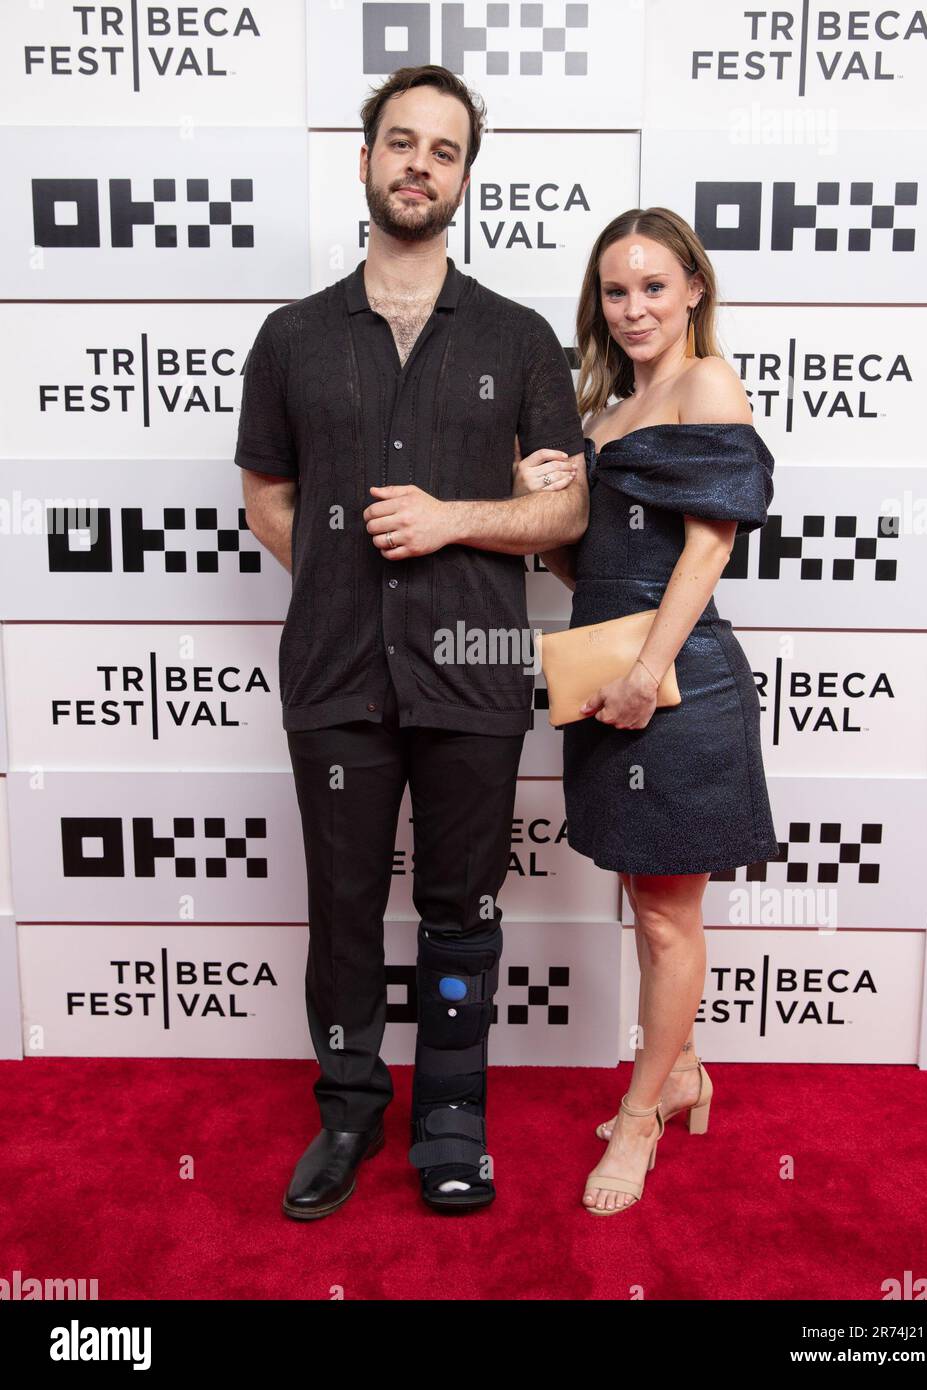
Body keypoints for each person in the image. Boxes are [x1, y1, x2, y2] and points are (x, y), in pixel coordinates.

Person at [234, 65, 587, 1217]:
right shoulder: (292, 338)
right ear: (367, 160)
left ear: (465, 179)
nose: (418, 165)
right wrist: (352, 583)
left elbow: (566, 512)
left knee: (461, 906)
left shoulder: (523, 338)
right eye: (401, 142)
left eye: (442, 149)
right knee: (340, 905)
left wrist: (452, 524)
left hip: (474, 675)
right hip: (335, 673)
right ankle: (347, 1110)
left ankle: (450, 1113)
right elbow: (267, 497)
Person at [515, 208, 780, 1215]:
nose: (634, 308)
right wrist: (547, 508)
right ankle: (681, 1071)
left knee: (669, 922)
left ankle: (638, 1119)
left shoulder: (708, 383)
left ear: (694, 290)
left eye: (654, 287)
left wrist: (646, 674)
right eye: (616, 291)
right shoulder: (609, 409)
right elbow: (596, 567)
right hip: (609, 670)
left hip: (676, 682)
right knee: (649, 905)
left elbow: (709, 549)